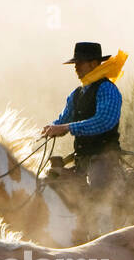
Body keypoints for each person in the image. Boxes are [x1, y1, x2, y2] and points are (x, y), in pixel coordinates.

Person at [41, 43, 129, 220]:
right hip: (83, 160)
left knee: (99, 196)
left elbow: (104, 121)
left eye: (80, 63)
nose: (76, 67)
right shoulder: (76, 94)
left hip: (104, 159)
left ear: (93, 63)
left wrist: (66, 128)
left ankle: (106, 232)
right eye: (75, 63)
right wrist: (51, 128)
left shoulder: (107, 89)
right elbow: (64, 119)